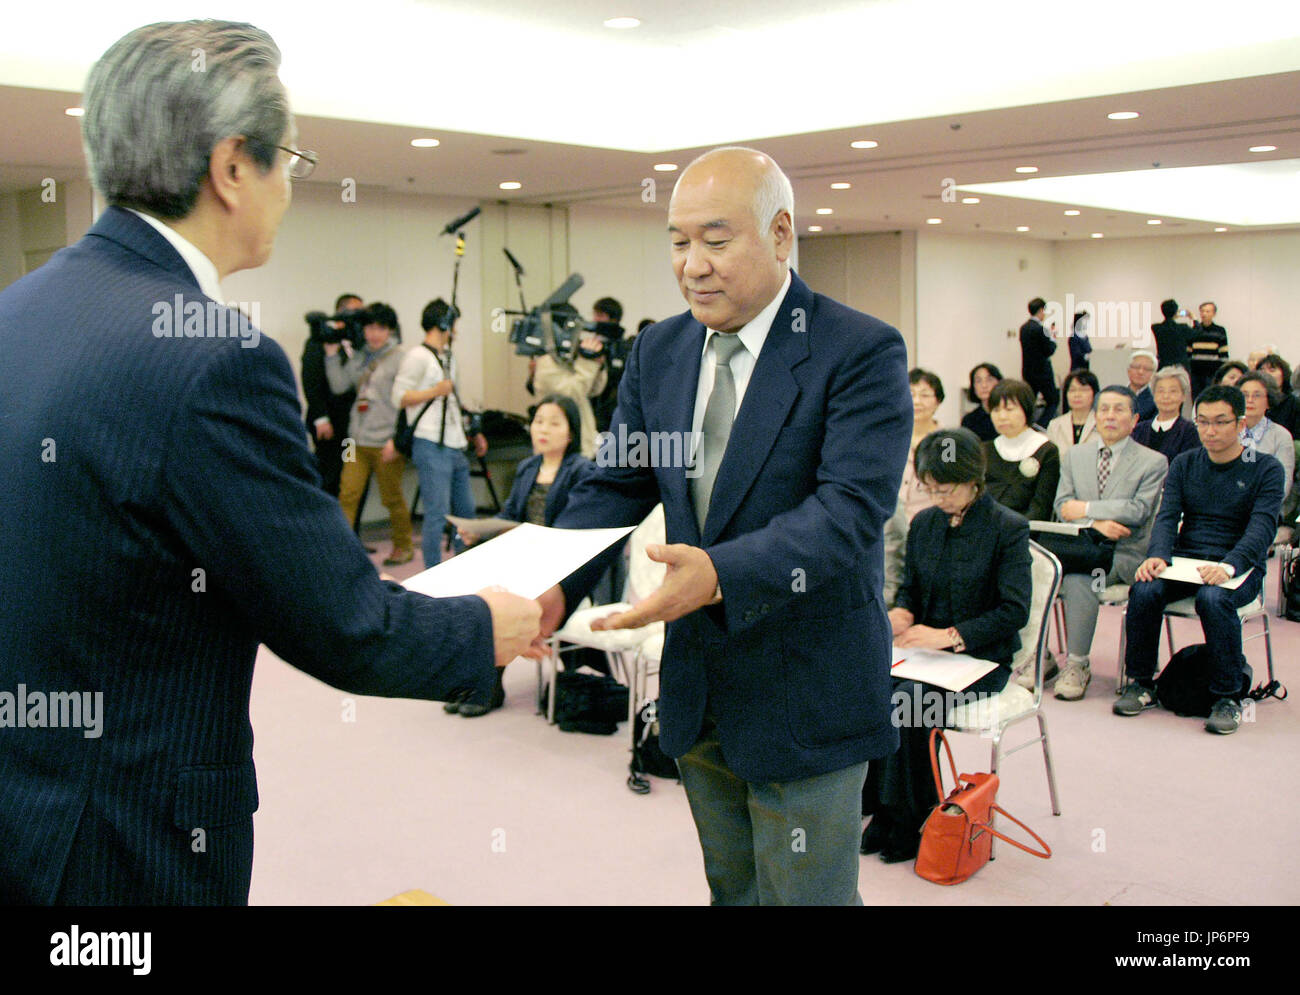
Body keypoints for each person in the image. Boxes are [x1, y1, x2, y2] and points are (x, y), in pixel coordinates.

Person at [0, 19, 542, 905]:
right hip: (125, 840)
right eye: (290, 159)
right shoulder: (214, 357)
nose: (291, 186)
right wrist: (487, 628)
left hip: (28, 804)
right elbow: (341, 623)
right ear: (231, 168)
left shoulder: (19, 311)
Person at [538, 147, 912, 906]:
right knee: (732, 890)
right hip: (700, 683)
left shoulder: (859, 350)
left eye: (716, 240)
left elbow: (848, 512)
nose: (693, 265)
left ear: (780, 235)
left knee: (806, 898)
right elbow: (615, 481)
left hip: (809, 685)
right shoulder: (660, 351)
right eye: (678, 242)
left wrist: (720, 574)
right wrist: (550, 585)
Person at [863, 429, 1030, 861]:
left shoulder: (1007, 528)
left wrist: (950, 637)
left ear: (974, 478)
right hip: (926, 654)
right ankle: (881, 806)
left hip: (981, 660)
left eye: (947, 488)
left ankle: (909, 816)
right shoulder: (925, 523)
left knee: (909, 703)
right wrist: (902, 612)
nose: (939, 498)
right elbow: (912, 590)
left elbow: (1015, 611)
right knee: (869, 687)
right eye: (930, 488)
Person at [1116, 385, 1284, 735]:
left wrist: (1229, 565)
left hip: (1239, 565)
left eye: (1220, 422)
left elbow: (1262, 528)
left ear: (1239, 424)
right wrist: (1158, 556)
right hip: (1186, 560)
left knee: (1214, 598)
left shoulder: (1265, 468)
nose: (1210, 431)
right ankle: (1141, 682)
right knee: (1144, 590)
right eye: (1203, 422)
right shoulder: (1184, 463)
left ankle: (1227, 696)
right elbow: (1166, 516)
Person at [452, 395, 594, 717]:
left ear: (570, 433)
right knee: (479, 586)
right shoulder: (528, 467)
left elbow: (577, 526)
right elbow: (510, 513)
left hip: (559, 565)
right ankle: (478, 679)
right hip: (523, 555)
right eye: (539, 421)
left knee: (502, 598)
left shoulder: (582, 470)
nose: (543, 429)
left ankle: (488, 687)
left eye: (554, 423)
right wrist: (481, 530)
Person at [1051, 386, 1168, 700]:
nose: (1110, 416)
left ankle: (1075, 663)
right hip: (1082, 548)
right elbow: (1063, 507)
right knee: (1049, 571)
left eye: (1119, 410)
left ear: (1134, 419)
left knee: (1081, 578)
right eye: (1103, 410)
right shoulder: (1075, 456)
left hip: (1126, 554)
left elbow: (1138, 510)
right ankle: (1048, 658)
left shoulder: (1153, 461)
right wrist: (1097, 523)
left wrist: (1086, 509)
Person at [392, 298, 488, 569]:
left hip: (455, 442)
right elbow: (398, 396)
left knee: (466, 512)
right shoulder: (417, 356)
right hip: (430, 442)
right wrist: (434, 391)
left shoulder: (449, 357)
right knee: (436, 514)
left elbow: (453, 400)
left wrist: (473, 432)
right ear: (443, 325)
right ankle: (433, 572)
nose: (455, 331)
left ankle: (465, 565)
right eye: (453, 325)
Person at [326, 302, 413, 565]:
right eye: (370, 327)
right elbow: (340, 385)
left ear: (390, 330)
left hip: (384, 440)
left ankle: (404, 545)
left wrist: (396, 440)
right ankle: (341, 549)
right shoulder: (359, 355)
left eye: (380, 328)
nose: (374, 333)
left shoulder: (400, 357)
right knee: (347, 494)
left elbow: (405, 404)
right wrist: (331, 354)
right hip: (355, 440)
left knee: (391, 496)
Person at [301, 292, 362, 497]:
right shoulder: (319, 341)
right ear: (340, 313)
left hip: (351, 428)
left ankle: (349, 526)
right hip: (329, 424)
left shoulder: (358, 342)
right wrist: (320, 418)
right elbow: (311, 381)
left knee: (351, 474)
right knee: (329, 475)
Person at [532, 305, 610, 459]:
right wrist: (588, 364)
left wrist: (598, 365)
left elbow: (593, 391)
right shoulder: (546, 362)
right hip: (558, 452)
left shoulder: (569, 358)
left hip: (583, 445)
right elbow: (571, 396)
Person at [983, 379, 1061, 523]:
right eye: (996, 410)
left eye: (1009, 409)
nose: (1002, 416)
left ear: (1026, 409)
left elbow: (1041, 508)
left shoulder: (1046, 450)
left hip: (1026, 533)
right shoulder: (984, 450)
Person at [1237, 372, 1295, 504]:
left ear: (1269, 401)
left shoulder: (1281, 436)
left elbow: (1283, 484)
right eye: (1245, 395)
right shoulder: (1227, 431)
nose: (1250, 400)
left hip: (1266, 509)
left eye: (1257, 395)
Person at [899, 368, 943, 520]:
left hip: (932, 519)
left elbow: (951, 480)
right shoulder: (890, 438)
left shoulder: (948, 441)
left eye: (924, 395)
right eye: (911, 394)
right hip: (892, 522)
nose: (917, 401)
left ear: (938, 401)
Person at [1132, 365, 1200, 460]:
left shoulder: (1190, 432)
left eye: (1173, 391)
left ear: (1183, 396)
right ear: (1154, 395)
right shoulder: (1138, 430)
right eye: (1161, 391)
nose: (1166, 396)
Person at [589, 296, 627, 434]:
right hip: (592, 414)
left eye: (600, 315)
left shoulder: (625, 349)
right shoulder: (588, 347)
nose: (595, 320)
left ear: (614, 319)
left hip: (616, 416)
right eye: (594, 315)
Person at [1019, 297, 1058, 428]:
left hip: (1028, 371)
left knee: (1029, 401)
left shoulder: (1023, 328)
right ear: (1041, 310)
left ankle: (1026, 425)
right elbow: (1049, 350)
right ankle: (1041, 425)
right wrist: (1053, 339)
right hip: (1043, 372)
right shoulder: (1041, 329)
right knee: (1053, 401)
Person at [1047, 368, 1099, 453]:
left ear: (1094, 393)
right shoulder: (1055, 425)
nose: (1077, 395)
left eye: (1083, 390)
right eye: (1072, 390)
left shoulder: (1101, 423)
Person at [1188, 302, 1229, 399]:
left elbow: (1224, 353)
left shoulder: (1219, 330)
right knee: (1196, 399)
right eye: (1202, 311)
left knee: (1211, 398)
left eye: (1207, 311)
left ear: (1214, 314)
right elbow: (1188, 352)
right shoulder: (1193, 330)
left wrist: (1222, 373)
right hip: (1196, 372)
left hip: (1212, 372)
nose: (1204, 314)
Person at [1257, 354, 1299, 439]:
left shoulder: (1294, 403)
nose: (1266, 374)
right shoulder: (1251, 401)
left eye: (1272, 370)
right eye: (1262, 370)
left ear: (1284, 374)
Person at [960, 362, 1001, 442]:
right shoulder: (969, 420)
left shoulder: (1007, 415)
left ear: (999, 382)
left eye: (989, 380)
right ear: (973, 386)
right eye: (978, 381)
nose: (984, 385)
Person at [1150, 298, 1190, 373]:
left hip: (1163, 364)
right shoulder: (1183, 328)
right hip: (1180, 365)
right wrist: (1194, 319)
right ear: (1175, 312)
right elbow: (1197, 333)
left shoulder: (1156, 327)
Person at [1126, 350, 1158, 421]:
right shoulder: (1116, 394)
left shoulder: (1155, 403)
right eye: (1137, 367)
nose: (1141, 372)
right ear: (1128, 370)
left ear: (1152, 375)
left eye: (1147, 369)